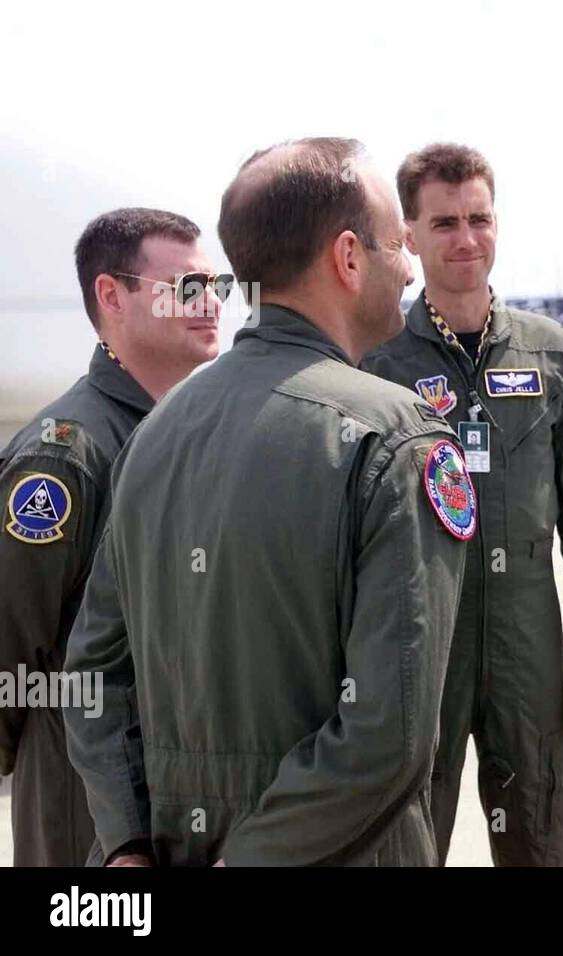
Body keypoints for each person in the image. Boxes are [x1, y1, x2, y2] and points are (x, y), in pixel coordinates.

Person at [63, 137, 468, 866]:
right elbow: (388, 736)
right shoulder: (398, 439)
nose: (409, 268)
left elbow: (92, 671)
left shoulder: (156, 432)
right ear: (348, 258)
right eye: (394, 246)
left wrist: (125, 841)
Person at [362, 143, 563, 866]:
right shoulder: (375, 361)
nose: (467, 239)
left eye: (479, 218)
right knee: (408, 836)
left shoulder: (547, 353)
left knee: (538, 832)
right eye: (444, 223)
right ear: (409, 237)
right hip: (419, 652)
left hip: (528, 647)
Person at [0, 207, 224, 866]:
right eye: (186, 287)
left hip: (179, 794)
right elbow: (11, 642)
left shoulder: (188, 433)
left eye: (219, 285)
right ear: (111, 295)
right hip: (83, 808)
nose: (209, 302)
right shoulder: (67, 453)